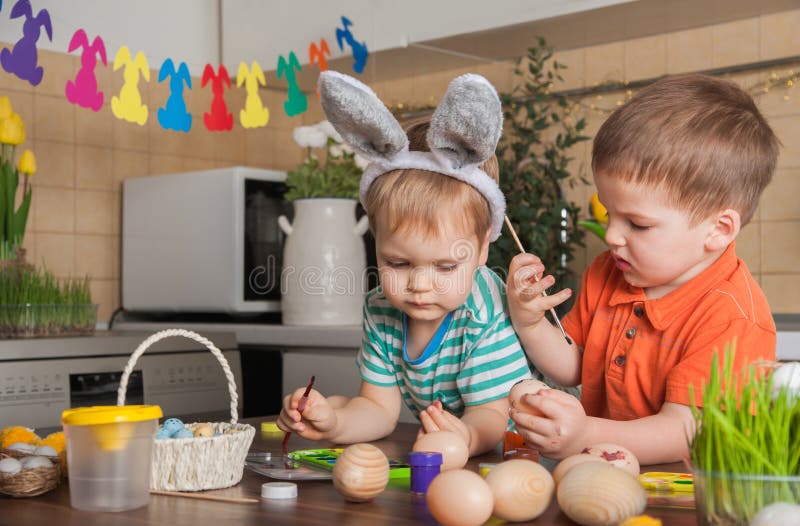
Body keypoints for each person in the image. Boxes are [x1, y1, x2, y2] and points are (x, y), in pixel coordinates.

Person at [506, 73, 779, 465]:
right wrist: (530, 322)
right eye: (607, 212)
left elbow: (685, 431)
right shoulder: (608, 271)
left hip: (689, 498)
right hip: (604, 474)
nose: (612, 234)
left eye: (637, 224)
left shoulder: (732, 317)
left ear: (717, 231)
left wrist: (587, 433)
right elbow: (573, 365)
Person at [277, 71, 533, 456]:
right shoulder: (381, 309)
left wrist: (461, 437)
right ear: (376, 242)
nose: (419, 285)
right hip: (446, 456)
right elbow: (379, 409)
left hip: (515, 454)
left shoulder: (483, 308)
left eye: (445, 267)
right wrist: (335, 423)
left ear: (482, 251)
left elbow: (492, 415)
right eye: (398, 263)